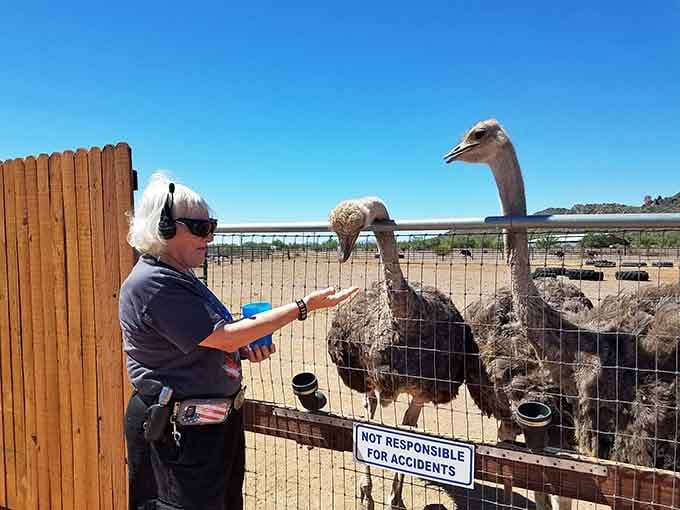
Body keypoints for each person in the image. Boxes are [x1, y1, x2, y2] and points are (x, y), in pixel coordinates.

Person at [120, 174, 358, 510]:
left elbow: (204, 341)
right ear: (166, 227)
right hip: (179, 435)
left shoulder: (179, 274)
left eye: (211, 226)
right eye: (200, 227)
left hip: (209, 429)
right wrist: (303, 307)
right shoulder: (154, 283)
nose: (211, 237)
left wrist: (241, 351)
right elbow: (224, 335)